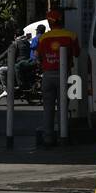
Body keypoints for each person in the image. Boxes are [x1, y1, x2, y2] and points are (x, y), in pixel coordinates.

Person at [36, 10, 80, 147]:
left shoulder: (43, 38)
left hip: (48, 75)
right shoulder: (71, 36)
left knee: (48, 108)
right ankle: (63, 136)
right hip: (64, 75)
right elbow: (77, 53)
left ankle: (48, 139)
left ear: (49, 22)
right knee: (63, 107)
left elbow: (38, 56)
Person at [0, 32, 33, 99]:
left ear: (15, 36)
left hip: (19, 65)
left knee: (1, 70)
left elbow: (7, 53)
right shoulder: (27, 43)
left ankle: (6, 90)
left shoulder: (16, 43)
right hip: (27, 64)